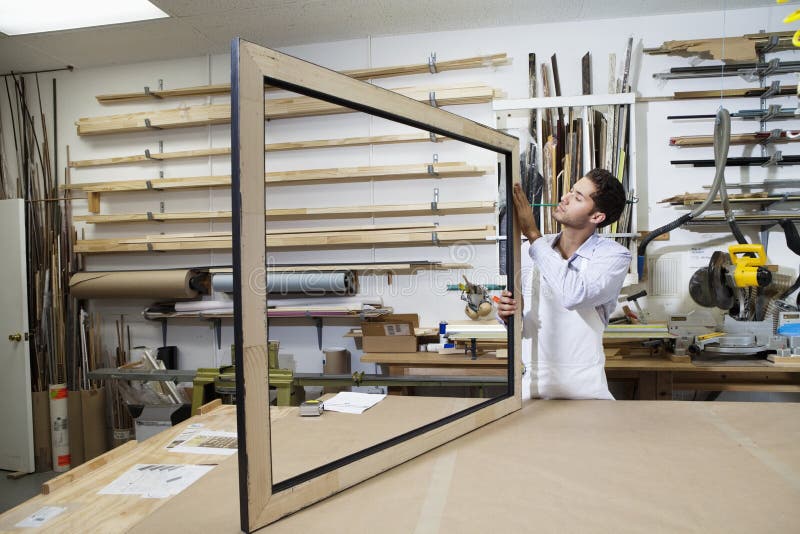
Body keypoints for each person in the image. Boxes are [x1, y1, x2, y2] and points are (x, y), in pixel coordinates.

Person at [497, 168, 631, 400]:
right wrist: (506, 314)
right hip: (533, 392)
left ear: (596, 217)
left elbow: (574, 295)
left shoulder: (614, 256)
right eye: (570, 191)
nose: (564, 198)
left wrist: (533, 236)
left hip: (587, 396)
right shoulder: (532, 250)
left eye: (578, 197)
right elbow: (524, 321)